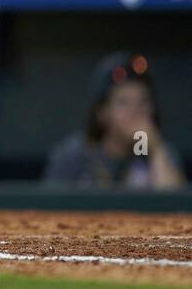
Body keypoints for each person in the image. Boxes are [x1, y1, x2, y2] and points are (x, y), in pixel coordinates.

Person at [44, 53, 185, 190]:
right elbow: (47, 210)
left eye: (143, 102)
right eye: (123, 103)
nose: (135, 112)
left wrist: (155, 149)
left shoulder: (160, 154)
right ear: (102, 112)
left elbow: (176, 208)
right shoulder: (74, 156)